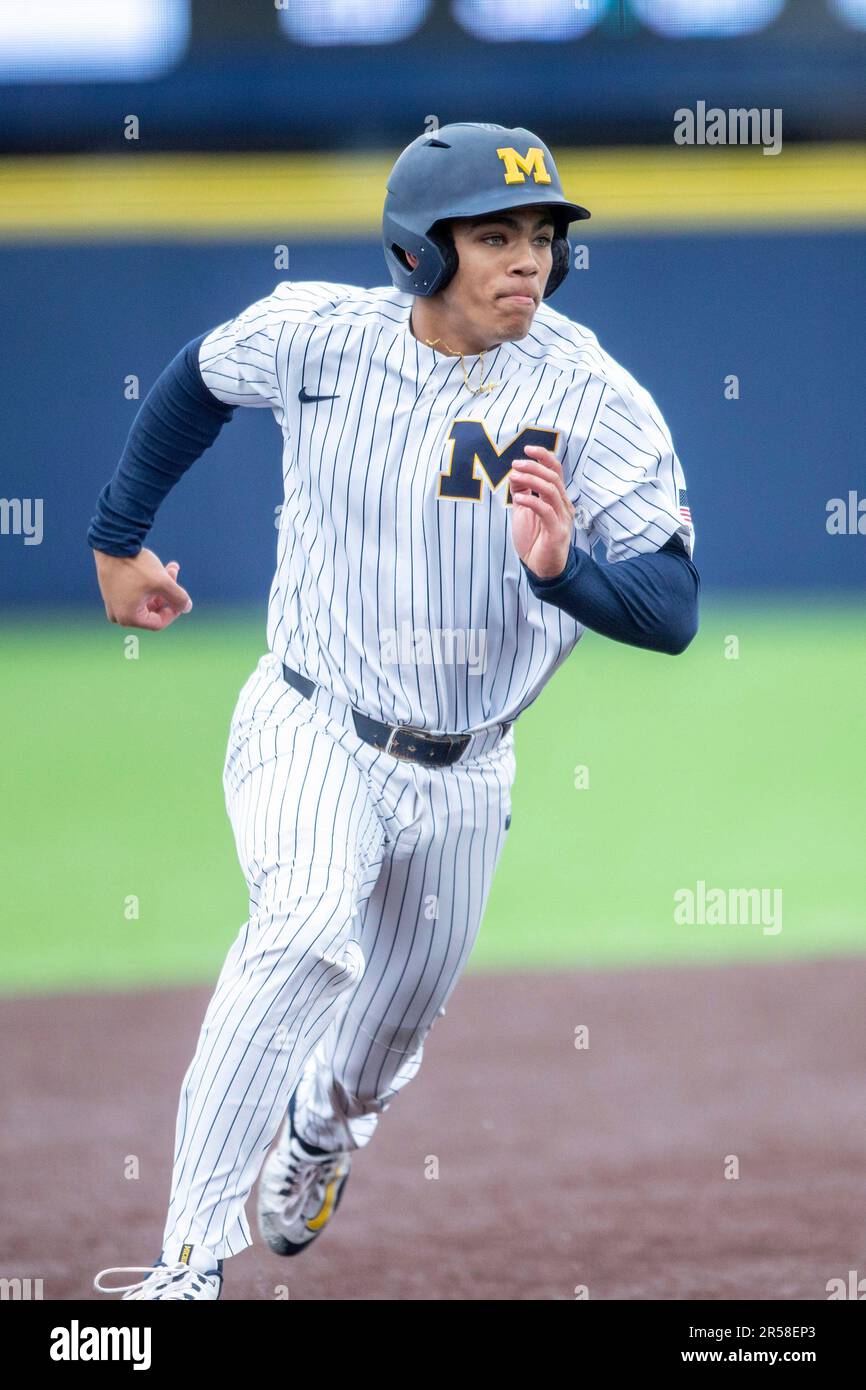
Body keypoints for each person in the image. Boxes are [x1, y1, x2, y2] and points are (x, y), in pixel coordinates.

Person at [90, 123, 699, 1300]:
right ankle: (187, 1264)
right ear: (420, 250)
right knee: (302, 930)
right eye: (494, 235)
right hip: (310, 717)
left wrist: (563, 572)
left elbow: (672, 609)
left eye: (541, 236)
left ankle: (322, 1132)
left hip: (467, 770)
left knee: (380, 1041)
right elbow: (198, 380)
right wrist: (118, 540)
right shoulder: (316, 335)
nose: (527, 259)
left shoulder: (591, 396)